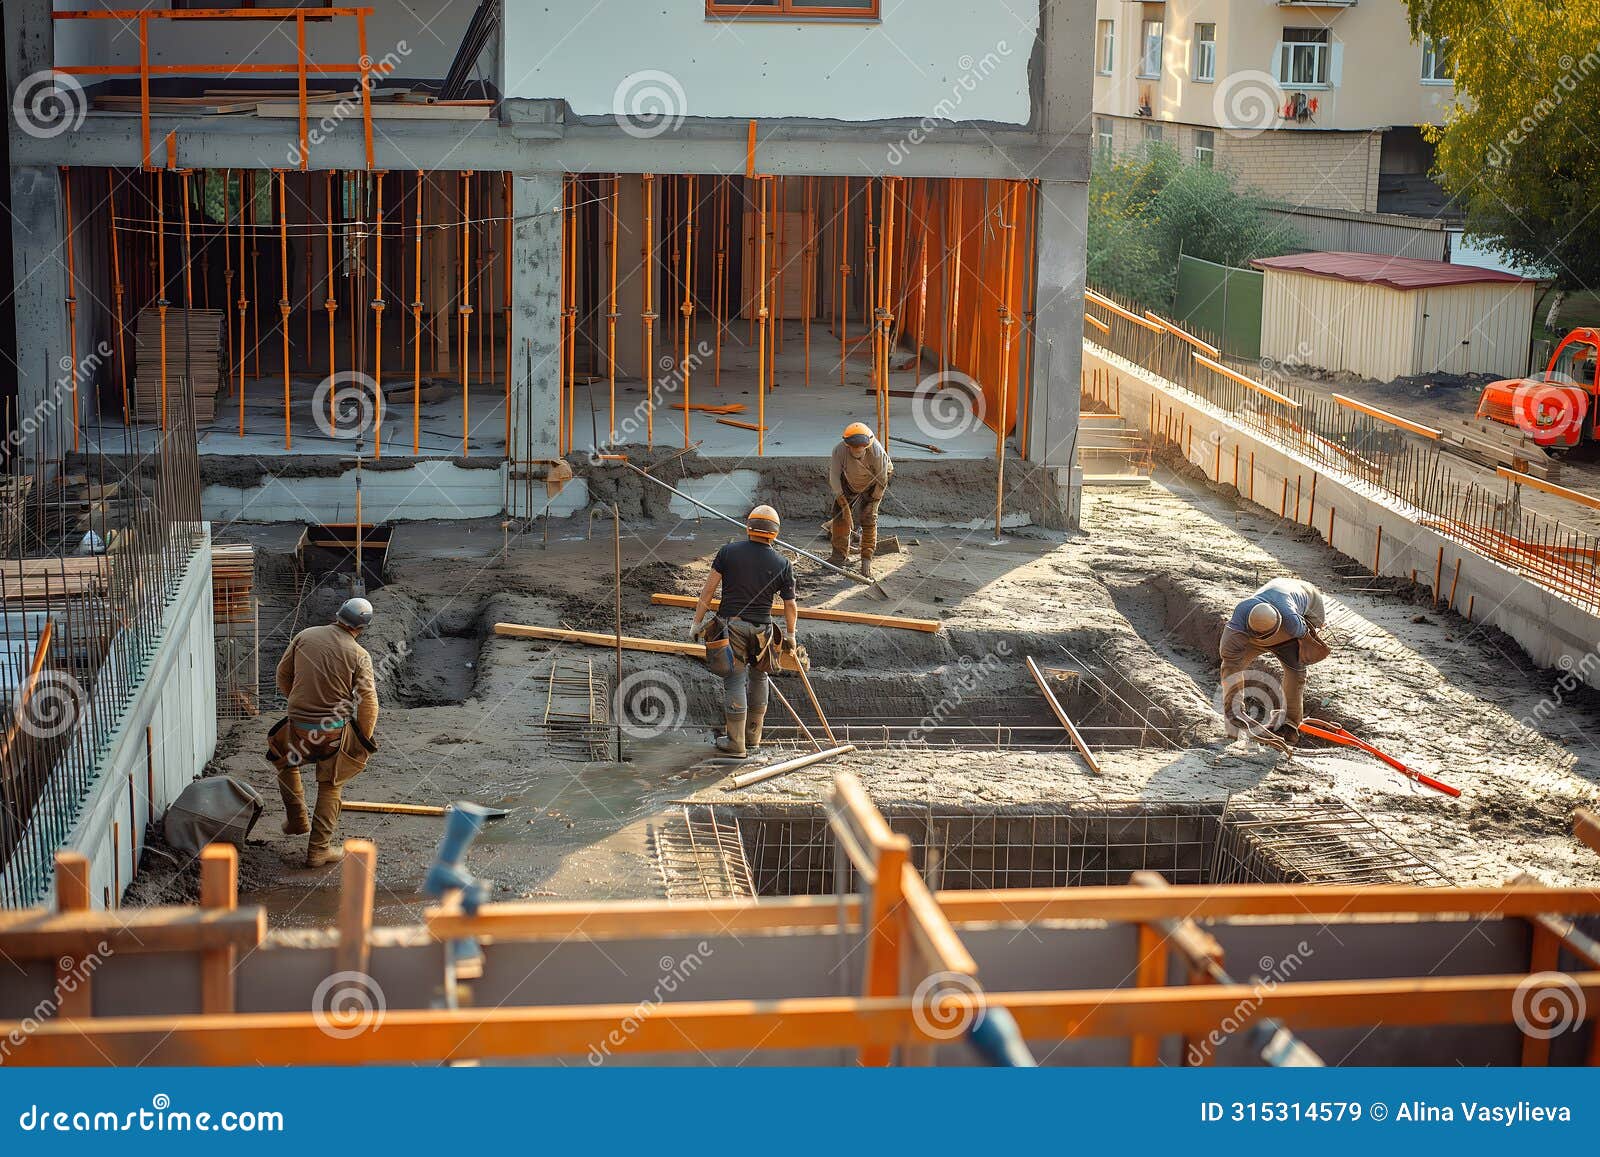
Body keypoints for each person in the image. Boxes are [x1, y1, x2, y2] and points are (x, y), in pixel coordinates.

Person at [267, 597, 380, 867]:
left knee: (286, 763)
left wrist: (298, 702)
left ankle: (296, 820)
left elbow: (283, 675)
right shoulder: (359, 655)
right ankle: (319, 850)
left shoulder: (305, 636)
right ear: (362, 628)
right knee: (331, 784)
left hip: (297, 728)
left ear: (338, 614)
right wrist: (362, 740)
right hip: (332, 735)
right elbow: (369, 702)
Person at [690, 505, 798, 758]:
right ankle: (753, 739)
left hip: (732, 627)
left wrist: (697, 623)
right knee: (760, 678)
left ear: (748, 528)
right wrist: (791, 635)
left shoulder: (728, 553)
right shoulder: (783, 563)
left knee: (735, 680)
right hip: (764, 631)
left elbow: (708, 591)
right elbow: (790, 604)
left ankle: (735, 743)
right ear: (775, 534)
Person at [1219, 578, 1330, 744]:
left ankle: (1290, 726)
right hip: (1272, 609)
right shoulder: (1241, 616)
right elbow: (1229, 658)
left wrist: (1309, 641)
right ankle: (1234, 717)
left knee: (1296, 672)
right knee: (1231, 665)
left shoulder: (1292, 622)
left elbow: (1305, 635)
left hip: (1306, 609)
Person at [828, 422, 893, 579]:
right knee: (839, 515)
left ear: (867, 445)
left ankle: (866, 560)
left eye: (860, 448)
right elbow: (835, 477)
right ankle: (839, 556)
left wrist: (874, 501)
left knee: (869, 517)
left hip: (875, 482)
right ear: (847, 445)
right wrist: (843, 504)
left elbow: (882, 479)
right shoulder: (839, 450)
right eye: (853, 448)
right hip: (850, 479)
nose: (857, 451)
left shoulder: (877, 453)